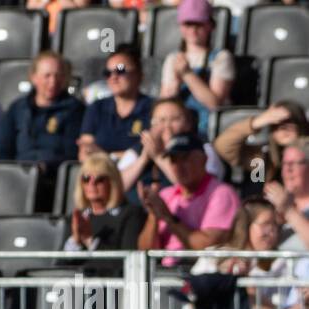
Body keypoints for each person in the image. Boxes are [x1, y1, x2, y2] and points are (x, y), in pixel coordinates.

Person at [138, 131, 240, 267]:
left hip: (200, 276)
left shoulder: (221, 193)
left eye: (185, 158)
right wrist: (154, 214)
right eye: (174, 160)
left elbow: (205, 248)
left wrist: (168, 217)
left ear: (204, 159)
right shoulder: (166, 194)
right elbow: (145, 253)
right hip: (164, 272)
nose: (179, 166)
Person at [0, 51, 83, 177]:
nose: (53, 82)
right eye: (47, 76)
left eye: (58, 76)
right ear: (34, 77)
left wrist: (45, 166)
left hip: (53, 177)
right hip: (18, 176)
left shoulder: (74, 109)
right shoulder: (18, 108)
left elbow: (71, 153)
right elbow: (3, 151)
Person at [59, 152, 148, 275]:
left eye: (99, 179)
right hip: (77, 290)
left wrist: (90, 241)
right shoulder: (77, 218)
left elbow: (127, 263)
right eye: (86, 178)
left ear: (113, 182)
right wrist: (76, 241)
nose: (91, 184)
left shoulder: (131, 214)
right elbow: (60, 266)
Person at [157, 0, 234, 138]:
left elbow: (214, 103)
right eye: (188, 24)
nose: (193, 30)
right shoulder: (172, 59)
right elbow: (163, 106)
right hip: (178, 129)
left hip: (210, 130)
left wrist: (187, 74)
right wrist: (174, 87)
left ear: (210, 26)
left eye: (199, 24)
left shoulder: (221, 57)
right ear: (181, 27)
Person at [118, 96, 224, 193]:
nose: (167, 125)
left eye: (175, 119)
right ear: (151, 125)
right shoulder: (137, 151)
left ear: (188, 123)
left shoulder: (202, 149)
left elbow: (201, 187)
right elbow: (116, 188)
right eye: (161, 120)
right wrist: (143, 159)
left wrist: (158, 157)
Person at [78, 45, 153, 162]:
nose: (113, 77)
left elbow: (150, 152)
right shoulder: (96, 107)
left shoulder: (153, 108)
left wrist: (107, 156)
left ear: (139, 75)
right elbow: (85, 153)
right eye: (108, 73)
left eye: (120, 70)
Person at [214, 101, 309, 186]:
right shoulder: (264, 159)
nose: (283, 128)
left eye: (290, 122)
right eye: (277, 124)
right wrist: (256, 122)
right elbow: (223, 147)